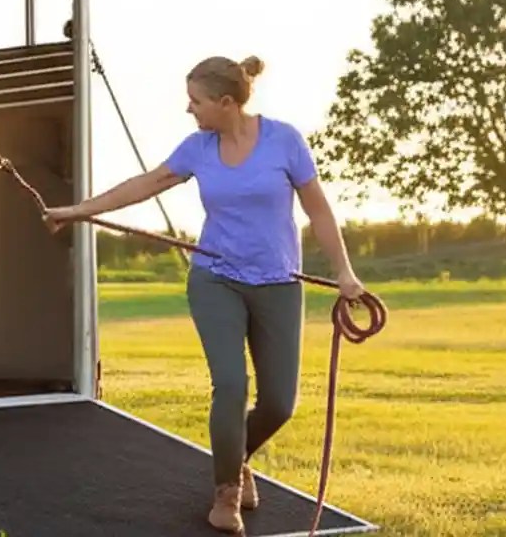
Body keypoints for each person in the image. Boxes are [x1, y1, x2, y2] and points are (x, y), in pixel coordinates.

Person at [43, 54, 366, 533]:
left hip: (278, 283)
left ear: (226, 102)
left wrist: (344, 272)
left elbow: (318, 210)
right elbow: (145, 184)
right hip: (216, 279)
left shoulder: (284, 142)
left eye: (196, 101)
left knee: (279, 403)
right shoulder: (198, 148)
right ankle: (226, 494)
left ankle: (237, 459)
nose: (189, 109)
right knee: (231, 385)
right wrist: (78, 212)